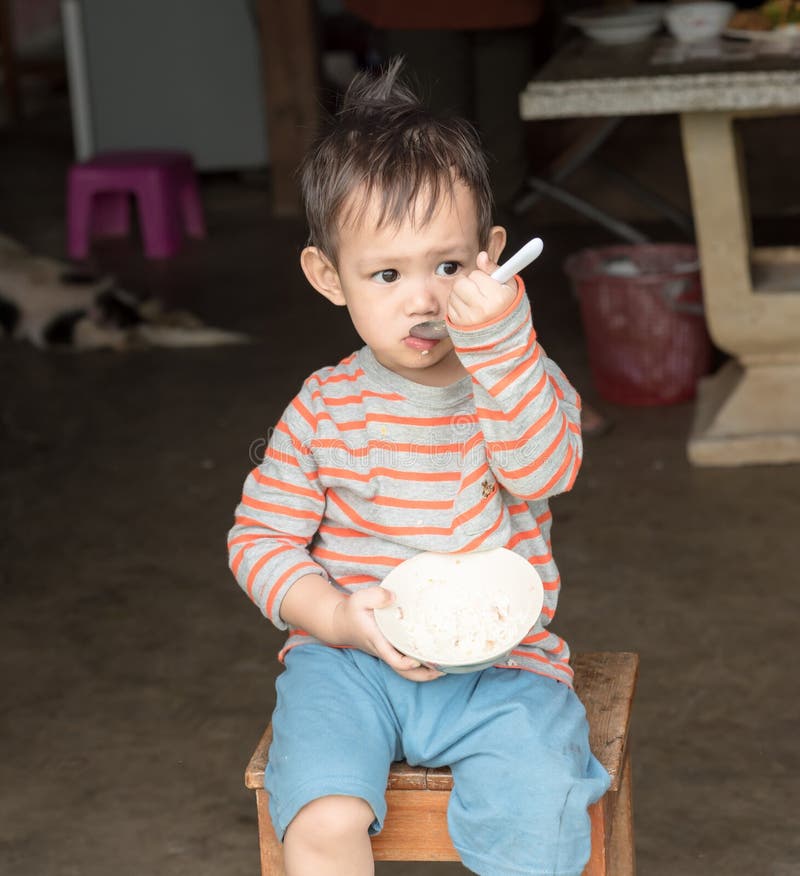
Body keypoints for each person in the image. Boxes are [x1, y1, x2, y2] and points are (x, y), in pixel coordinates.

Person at [227, 60, 609, 876]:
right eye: (387, 274)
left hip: (507, 673)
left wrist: (505, 343)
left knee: (539, 815)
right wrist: (335, 618)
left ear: (493, 257)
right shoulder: (326, 408)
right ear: (329, 277)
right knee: (321, 818)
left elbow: (544, 472)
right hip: (350, 667)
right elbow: (259, 541)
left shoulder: (518, 381)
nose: (423, 300)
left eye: (447, 266)